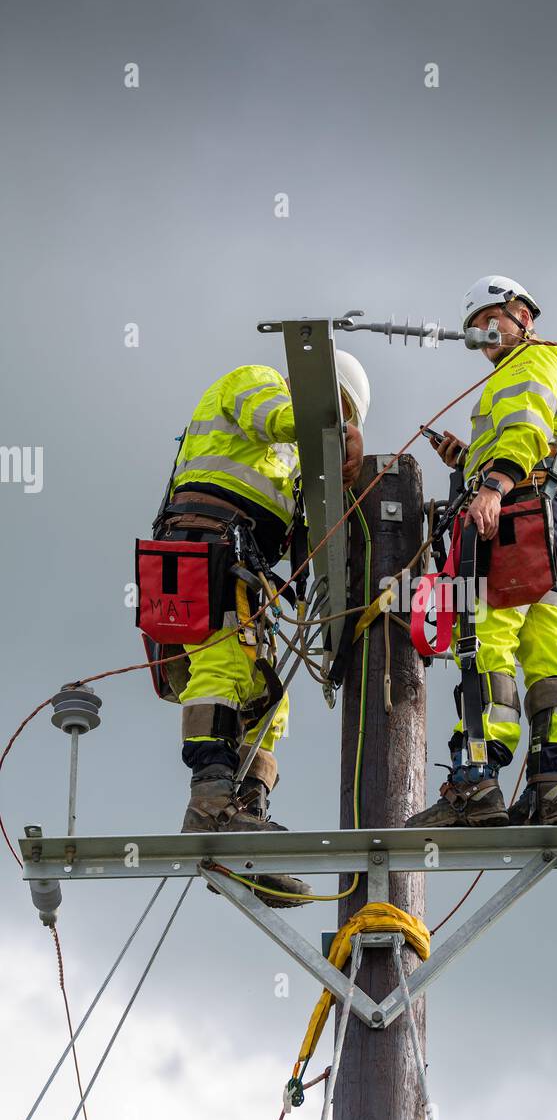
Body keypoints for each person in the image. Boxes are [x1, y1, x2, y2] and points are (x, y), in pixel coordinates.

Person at [152, 352, 367, 902]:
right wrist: (338, 429)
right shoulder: (256, 383)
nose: (335, 421)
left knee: (267, 697)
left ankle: (245, 814)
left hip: (237, 561)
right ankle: (211, 804)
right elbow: (279, 417)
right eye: (335, 406)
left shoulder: (290, 462)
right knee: (224, 664)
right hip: (204, 543)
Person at [407, 275, 557, 828]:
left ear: (522, 315)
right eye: (475, 333)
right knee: (550, 652)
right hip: (555, 523)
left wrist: (493, 486)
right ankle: (554, 788)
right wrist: (468, 462)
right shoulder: (546, 368)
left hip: (518, 518)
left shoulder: (529, 366)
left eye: (490, 323)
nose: (484, 339)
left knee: (485, 638)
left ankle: (475, 784)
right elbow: (530, 440)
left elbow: (524, 426)